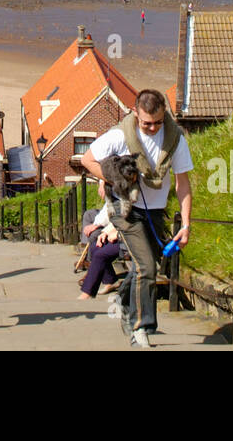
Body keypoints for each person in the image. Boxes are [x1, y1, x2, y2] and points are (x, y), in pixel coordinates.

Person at [82, 89, 193, 348]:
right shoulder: (120, 135)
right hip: (124, 209)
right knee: (146, 266)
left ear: (164, 113)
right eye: (146, 123)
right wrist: (114, 180)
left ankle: (123, 297)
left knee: (149, 265)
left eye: (157, 122)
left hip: (155, 210)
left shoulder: (175, 139)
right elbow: (88, 159)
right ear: (135, 113)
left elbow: (183, 184)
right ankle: (140, 327)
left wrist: (186, 224)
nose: (152, 128)